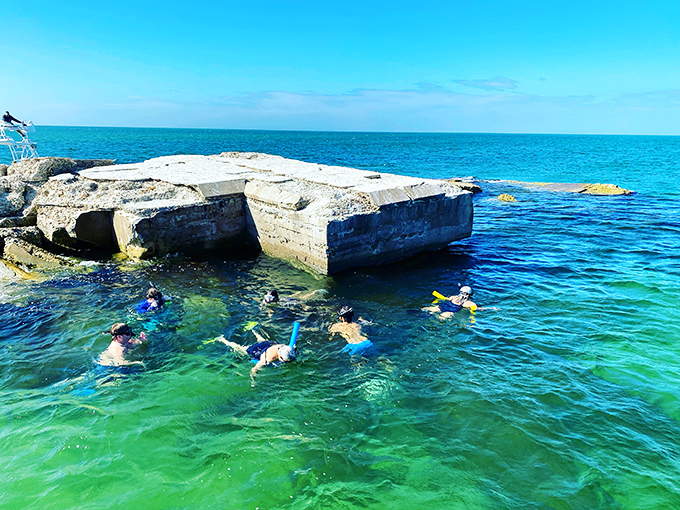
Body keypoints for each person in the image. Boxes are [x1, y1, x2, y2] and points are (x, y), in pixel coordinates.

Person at [216, 329, 296, 383]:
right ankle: (223, 340)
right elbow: (254, 369)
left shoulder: (288, 348)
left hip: (270, 344)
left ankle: (254, 330)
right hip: (258, 351)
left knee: (263, 342)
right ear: (280, 357)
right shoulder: (267, 360)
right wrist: (253, 381)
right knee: (241, 349)